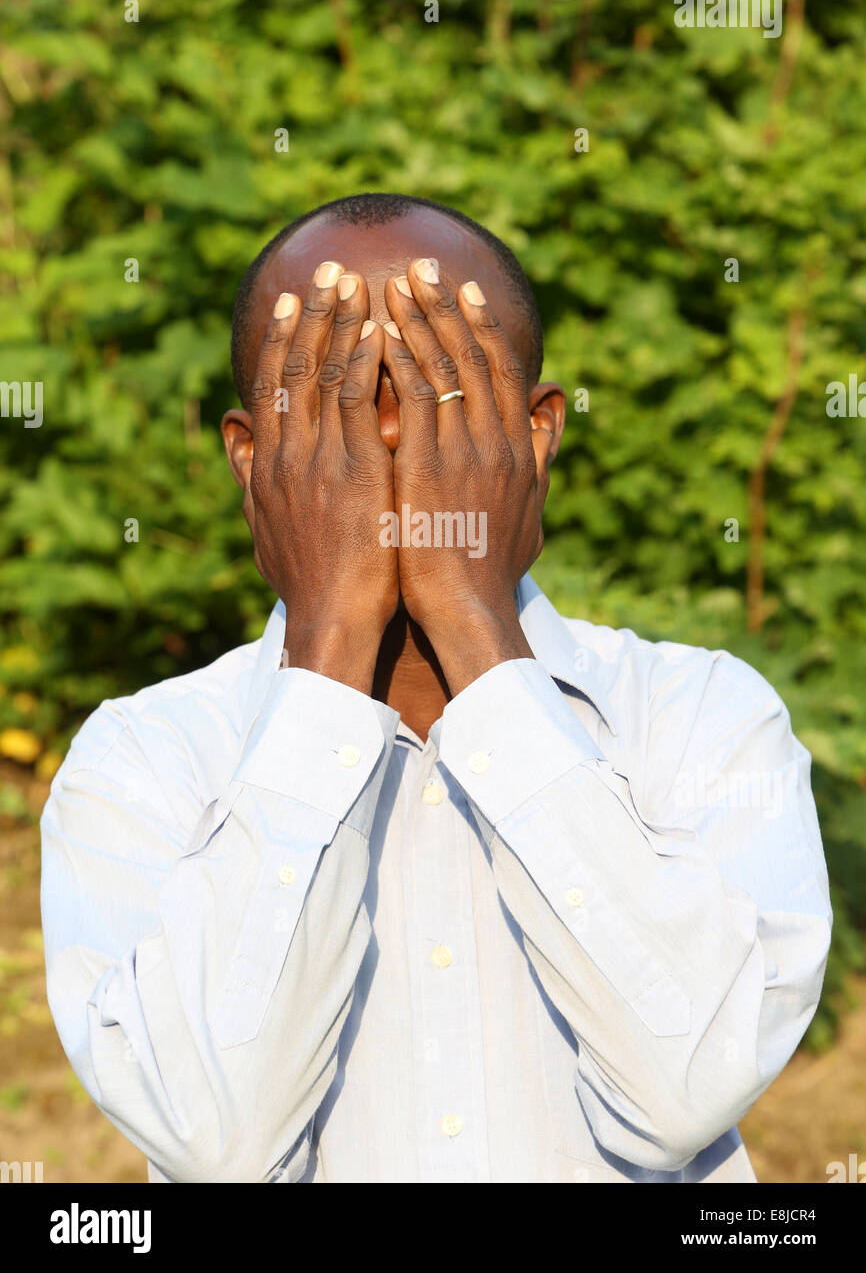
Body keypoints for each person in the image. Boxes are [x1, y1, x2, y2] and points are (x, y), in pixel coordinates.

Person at [41, 192, 831, 1183]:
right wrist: (328, 645)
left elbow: (680, 1096)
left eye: (441, 393)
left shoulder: (701, 717)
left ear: (535, 437)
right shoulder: (142, 763)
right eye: (332, 403)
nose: (389, 445)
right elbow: (219, 1146)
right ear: (251, 462)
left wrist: (473, 625)